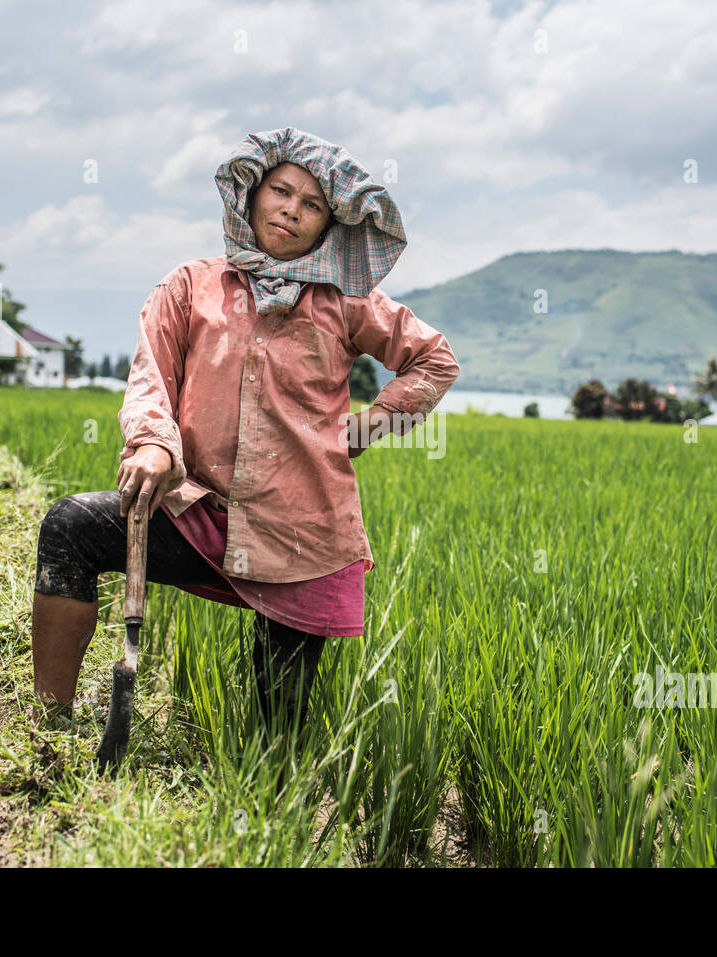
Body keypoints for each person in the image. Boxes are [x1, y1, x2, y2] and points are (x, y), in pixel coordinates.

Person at [29, 126, 460, 749]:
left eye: (312, 205)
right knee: (70, 527)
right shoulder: (192, 285)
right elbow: (153, 373)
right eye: (281, 192)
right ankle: (50, 727)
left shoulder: (345, 301)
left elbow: (434, 359)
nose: (292, 209)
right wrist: (154, 443)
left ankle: (267, 810)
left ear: (327, 226)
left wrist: (368, 428)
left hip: (302, 531)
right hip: (198, 509)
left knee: (276, 731)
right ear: (251, 197)